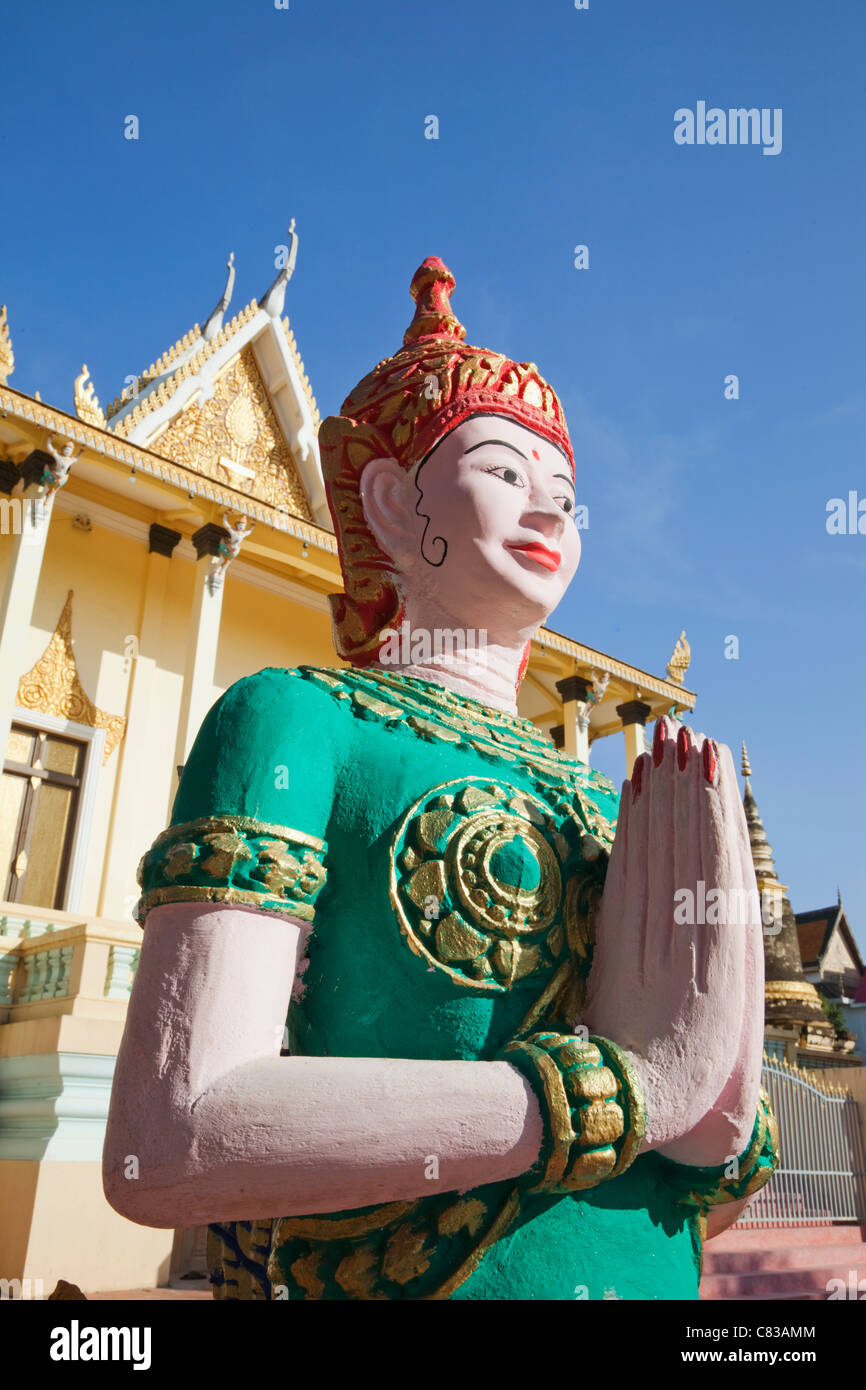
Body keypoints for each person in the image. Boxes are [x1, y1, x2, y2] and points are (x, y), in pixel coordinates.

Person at [103, 258, 777, 1300]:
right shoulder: (300, 719)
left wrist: (723, 1090)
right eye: (504, 473)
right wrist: (607, 1090)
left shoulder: (609, 803)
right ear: (389, 499)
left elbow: (697, 1190)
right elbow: (169, 1132)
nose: (549, 514)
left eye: (563, 494)